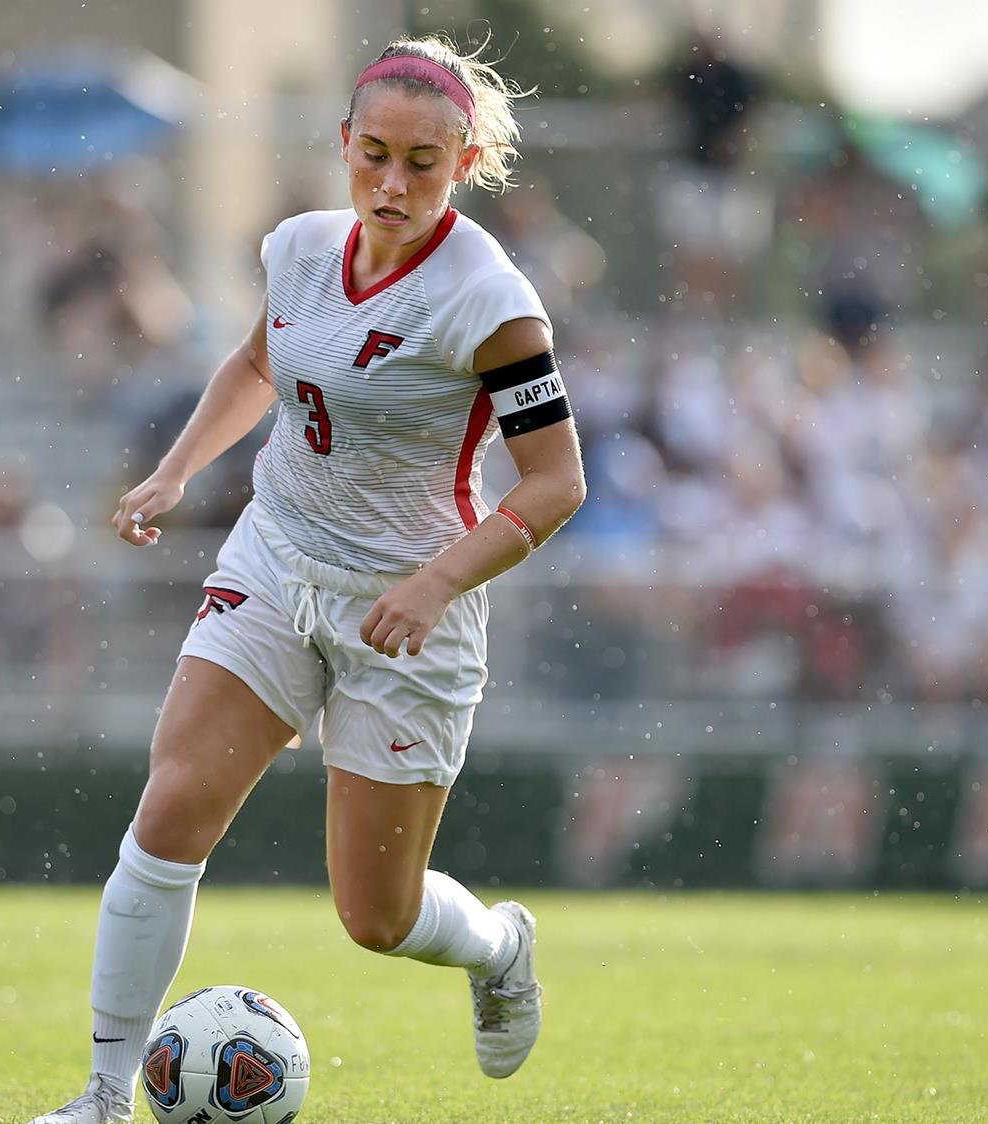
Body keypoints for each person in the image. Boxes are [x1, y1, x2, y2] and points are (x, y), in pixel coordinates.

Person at [31, 35, 586, 1124]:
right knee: (172, 806)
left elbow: (556, 481)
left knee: (373, 916)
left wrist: (433, 585)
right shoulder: (295, 249)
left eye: (422, 162)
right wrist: (173, 469)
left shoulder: (491, 300)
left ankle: (500, 944)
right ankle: (100, 1096)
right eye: (372, 153)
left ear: (463, 162)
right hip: (276, 555)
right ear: (341, 145)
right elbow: (252, 366)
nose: (391, 181)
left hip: (405, 612)